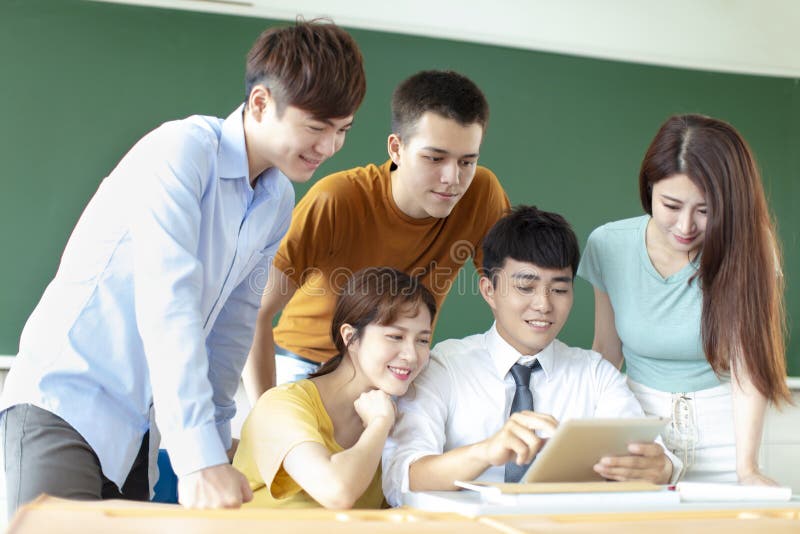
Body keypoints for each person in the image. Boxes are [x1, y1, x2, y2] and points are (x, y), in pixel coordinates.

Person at [0, 19, 366, 514]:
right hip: (65, 399)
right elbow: (167, 300)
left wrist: (216, 445)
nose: (329, 148)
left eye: (342, 131)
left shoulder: (277, 197)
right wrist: (197, 460)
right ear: (260, 103)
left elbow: (232, 327)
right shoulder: (183, 151)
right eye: (316, 128)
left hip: (136, 428)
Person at [382, 206, 679, 506]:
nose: (543, 305)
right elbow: (401, 477)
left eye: (560, 290)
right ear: (489, 290)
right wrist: (485, 452)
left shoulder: (594, 374)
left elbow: (654, 457)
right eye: (526, 287)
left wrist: (662, 468)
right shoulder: (445, 366)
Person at [242, 70, 510, 402]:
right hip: (310, 363)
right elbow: (255, 310)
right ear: (396, 148)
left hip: (399, 368)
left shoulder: (482, 192)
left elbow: (512, 296)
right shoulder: (335, 199)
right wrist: (264, 417)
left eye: (467, 161)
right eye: (434, 158)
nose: (452, 179)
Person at [577, 114, 791, 484]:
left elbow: (747, 366)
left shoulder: (751, 247)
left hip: (728, 435)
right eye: (671, 206)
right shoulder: (609, 244)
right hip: (640, 431)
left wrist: (747, 469)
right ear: (649, 188)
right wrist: (588, 440)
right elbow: (606, 352)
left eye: (706, 210)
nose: (686, 226)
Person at [233, 267, 435, 509]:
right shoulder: (281, 406)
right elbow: (337, 491)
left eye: (422, 340)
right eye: (395, 336)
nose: (412, 355)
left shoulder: (402, 423)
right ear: (350, 337)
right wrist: (379, 423)